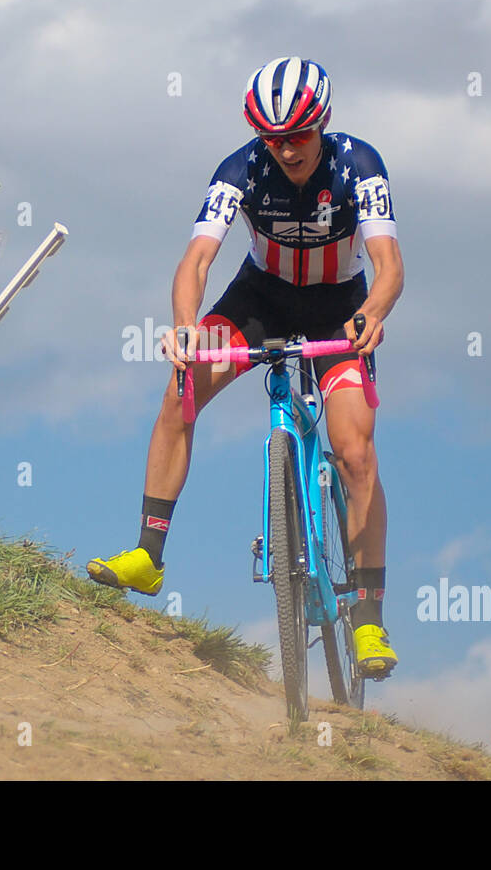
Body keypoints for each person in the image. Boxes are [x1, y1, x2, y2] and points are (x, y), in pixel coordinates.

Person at [88, 57, 403, 678]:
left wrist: (372, 311)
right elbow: (198, 258)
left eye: (298, 135)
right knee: (181, 387)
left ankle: (368, 618)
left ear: (324, 123)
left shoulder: (357, 164)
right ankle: (149, 554)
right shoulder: (241, 169)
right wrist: (184, 321)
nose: (286, 149)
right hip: (259, 299)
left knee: (356, 450)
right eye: (273, 138)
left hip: (339, 310)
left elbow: (388, 262)